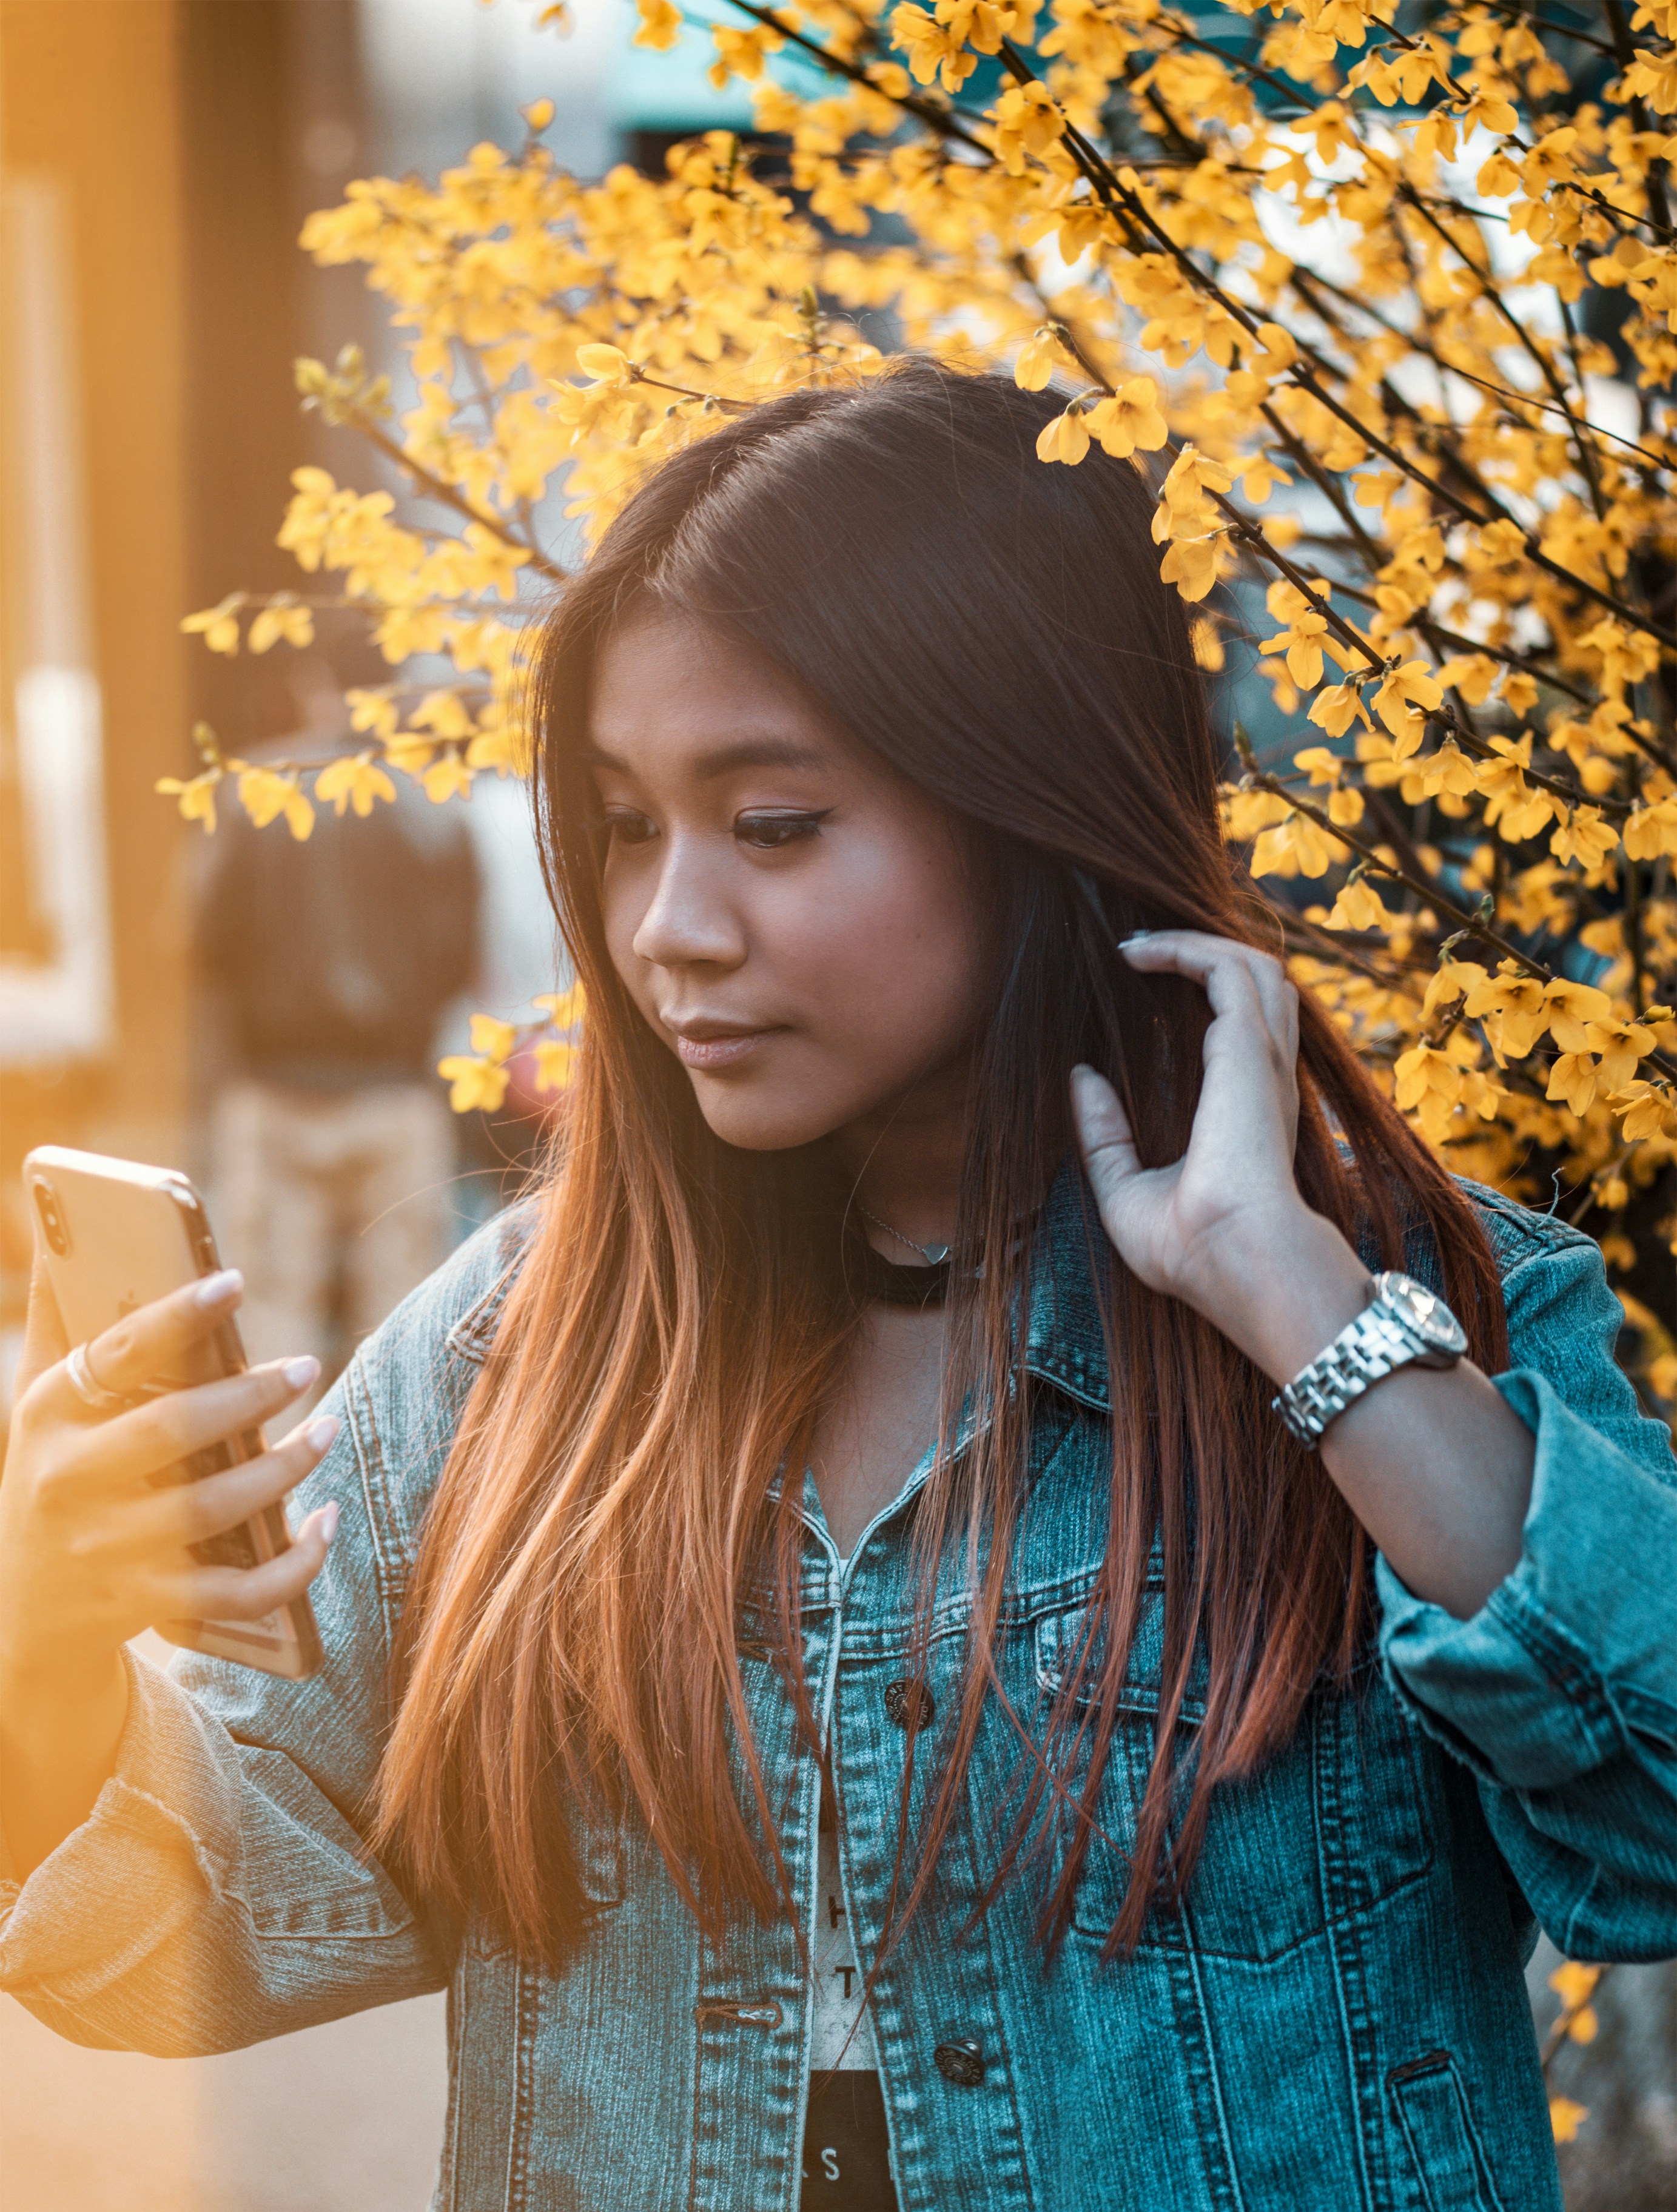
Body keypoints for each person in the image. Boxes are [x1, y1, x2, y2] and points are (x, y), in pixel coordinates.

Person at [2, 364, 1674, 2212]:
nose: (668, 928)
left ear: (1031, 812)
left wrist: (1304, 1312)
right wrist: (48, 1643)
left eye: (774, 826)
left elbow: (1654, 1822)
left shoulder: (1432, 1309)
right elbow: (190, 1945)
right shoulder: (519, 1358)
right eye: (631, 827)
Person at [195, 747, 481, 1380]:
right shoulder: (432, 805)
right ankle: (409, 1481)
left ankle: (276, 1480)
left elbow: (203, 933)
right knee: (407, 1325)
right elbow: (461, 948)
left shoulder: (255, 795)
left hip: (276, 1091)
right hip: (398, 1093)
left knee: (270, 1321)